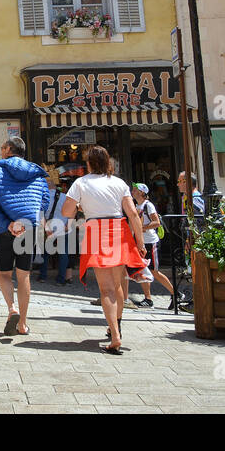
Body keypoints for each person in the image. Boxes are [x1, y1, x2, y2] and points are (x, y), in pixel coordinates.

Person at [61, 145, 146, 354]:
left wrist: (82, 207)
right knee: (117, 286)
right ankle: (115, 326)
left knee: (106, 289)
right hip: (119, 230)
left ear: (88, 163)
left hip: (97, 231)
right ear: (108, 163)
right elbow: (133, 214)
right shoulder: (118, 183)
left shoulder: (80, 183)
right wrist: (140, 243)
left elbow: (66, 211)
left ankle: (115, 334)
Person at [0, 136, 48, 335]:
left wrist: (7, 223)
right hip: (28, 228)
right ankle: (22, 324)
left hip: (5, 230)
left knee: (3, 273)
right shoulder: (36, 173)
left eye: (3, 147)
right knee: (24, 274)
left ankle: (12, 309)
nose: (1, 151)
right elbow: (44, 200)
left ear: (10, 149)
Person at [129, 182, 176, 306]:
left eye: (135, 189)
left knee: (154, 271)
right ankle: (148, 299)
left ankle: (175, 294)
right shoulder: (135, 206)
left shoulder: (147, 205)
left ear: (142, 192)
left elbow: (157, 222)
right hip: (141, 242)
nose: (132, 191)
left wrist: (141, 228)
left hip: (151, 242)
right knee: (143, 270)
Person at [39, 180, 74, 285]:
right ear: (55, 187)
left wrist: (46, 229)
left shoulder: (43, 198)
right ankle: (61, 279)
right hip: (63, 227)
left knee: (45, 253)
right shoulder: (65, 197)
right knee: (63, 254)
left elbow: (40, 214)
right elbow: (73, 211)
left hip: (49, 227)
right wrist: (68, 224)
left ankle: (42, 276)